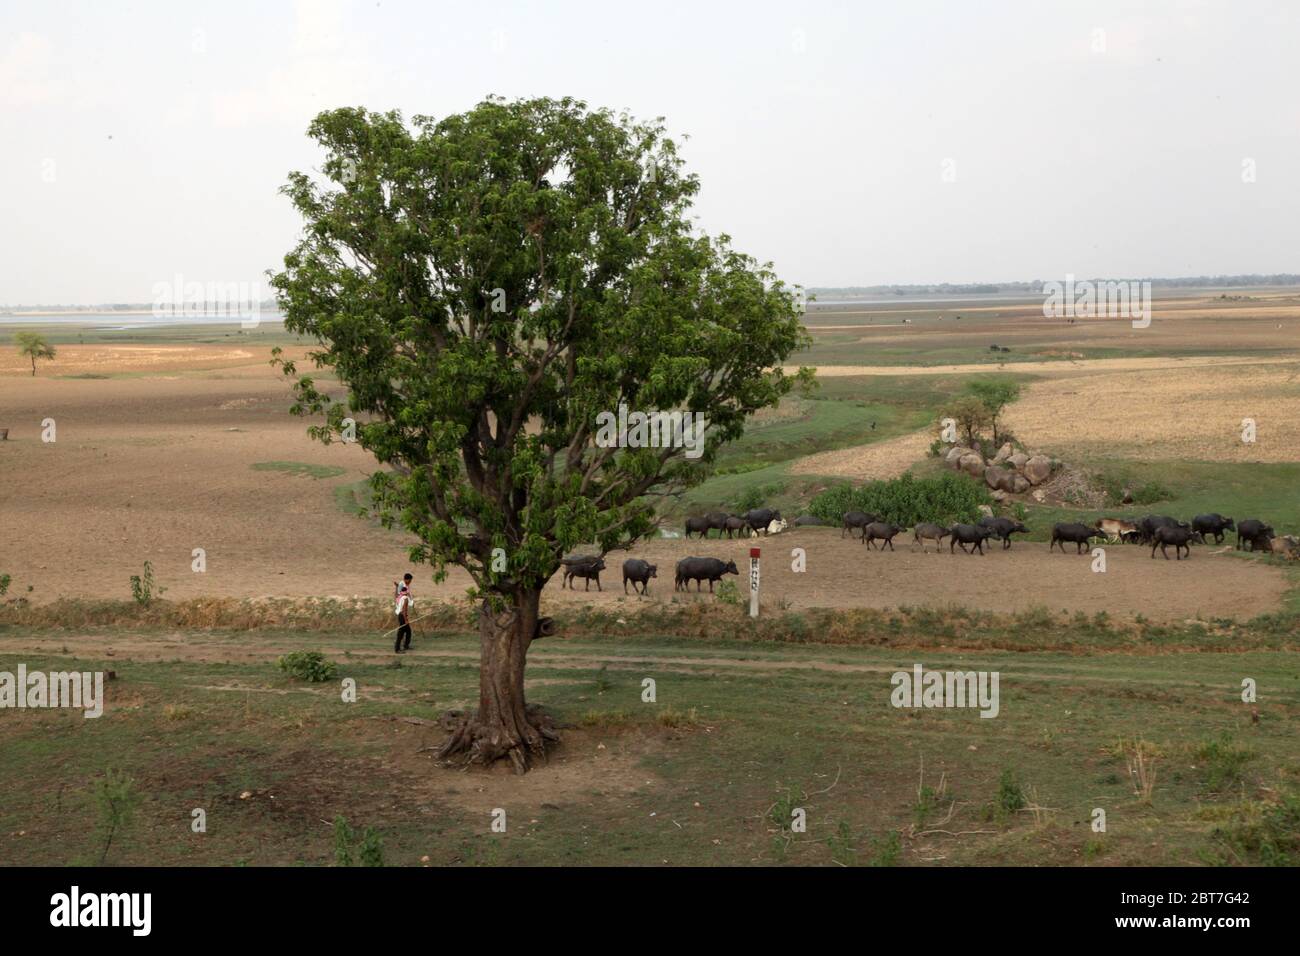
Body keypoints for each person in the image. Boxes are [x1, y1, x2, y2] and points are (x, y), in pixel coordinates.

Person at [393, 573, 413, 653]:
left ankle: (406, 645)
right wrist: (406, 620)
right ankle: (397, 649)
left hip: (401, 616)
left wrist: (397, 587)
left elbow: (395, 595)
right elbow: (404, 611)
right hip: (402, 616)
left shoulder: (400, 597)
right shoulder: (405, 599)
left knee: (408, 631)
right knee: (400, 633)